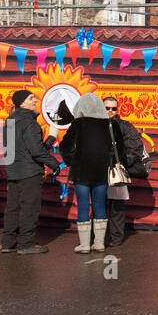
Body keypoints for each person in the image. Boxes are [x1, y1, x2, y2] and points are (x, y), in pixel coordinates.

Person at [1, 89, 62, 254]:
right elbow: (36, 152)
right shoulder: (30, 122)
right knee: (29, 207)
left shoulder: (10, 120)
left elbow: (25, 149)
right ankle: (26, 243)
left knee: (13, 207)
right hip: (29, 172)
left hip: (14, 170)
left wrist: (50, 138)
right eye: (30, 98)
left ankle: (8, 242)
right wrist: (55, 164)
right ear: (22, 103)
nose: (34, 100)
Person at [59, 92, 115, 253]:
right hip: (100, 172)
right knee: (100, 206)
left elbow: (65, 146)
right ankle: (99, 243)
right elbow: (115, 149)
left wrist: (72, 161)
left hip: (81, 172)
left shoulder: (78, 124)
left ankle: (84, 245)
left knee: (83, 206)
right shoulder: (109, 124)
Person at [104, 97, 146, 247]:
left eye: (113, 108)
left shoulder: (124, 126)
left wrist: (121, 164)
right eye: (107, 108)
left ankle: (115, 239)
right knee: (98, 206)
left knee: (117, 207)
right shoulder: (95, 125)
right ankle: (98, 238)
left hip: (117, 170)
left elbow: (135, 148)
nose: (110, 111)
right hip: (100, 170)